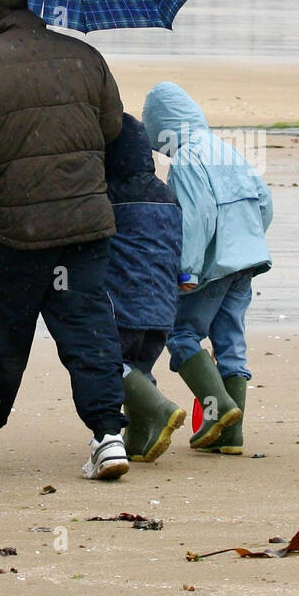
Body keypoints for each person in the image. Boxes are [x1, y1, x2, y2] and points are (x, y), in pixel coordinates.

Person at [0, 0, 129, 480]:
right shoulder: (86, 57)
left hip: (11, 229)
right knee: (90, 332)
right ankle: (109, 436)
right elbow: (112, 127)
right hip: (84, 225)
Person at [142, 82, 272, 454]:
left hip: (214, 266)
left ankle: (219, 411)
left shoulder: (187, 161)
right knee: (231, 342)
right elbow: (264, 201)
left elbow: (194, 220)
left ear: (165, 127)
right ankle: (232, 437)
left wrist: (188, 270)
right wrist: (251, 239)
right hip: (247, 261)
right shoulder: (229, 152)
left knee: (181, 334)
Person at [102, 113, 186, 462]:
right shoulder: (167, 195)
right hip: (163, 307)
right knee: (140, 369)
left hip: (125, 305)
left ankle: (161, 408)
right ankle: (139, 441)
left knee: (111, 363)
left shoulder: (110, 194)